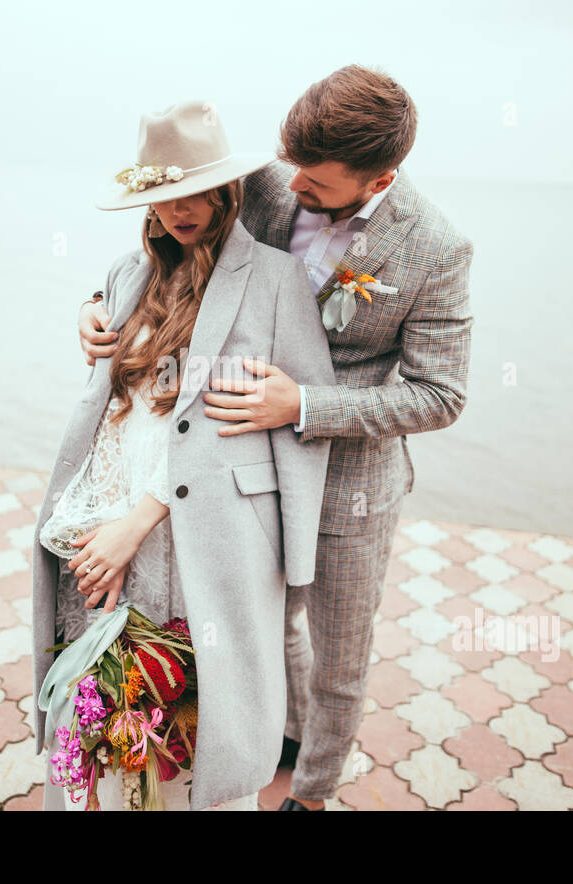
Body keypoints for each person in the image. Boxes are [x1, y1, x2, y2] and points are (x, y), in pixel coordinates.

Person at [79, 66, 475, 810]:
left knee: (339, 657)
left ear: (380, 176)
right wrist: (96, 306)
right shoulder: (261, 183)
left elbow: (441, 395)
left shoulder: (436, 250)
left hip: (353, 486)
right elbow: (171, 260)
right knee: (264, 621)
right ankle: (276, 733)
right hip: (248, 467)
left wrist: (307, 403)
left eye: (317, 186)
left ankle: (311, 792)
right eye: (292, 171)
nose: (293, 191)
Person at [31, 100, 336, 811]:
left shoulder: (275, 280)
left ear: (231, 189)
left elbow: (294, 417)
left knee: (202, 720)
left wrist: (294, 557)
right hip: (110, 524)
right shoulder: (125, 276)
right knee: (113, 711)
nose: (184, 210)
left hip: (210, 532)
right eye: (166, 197)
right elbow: (117, 410)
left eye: (200, 191)